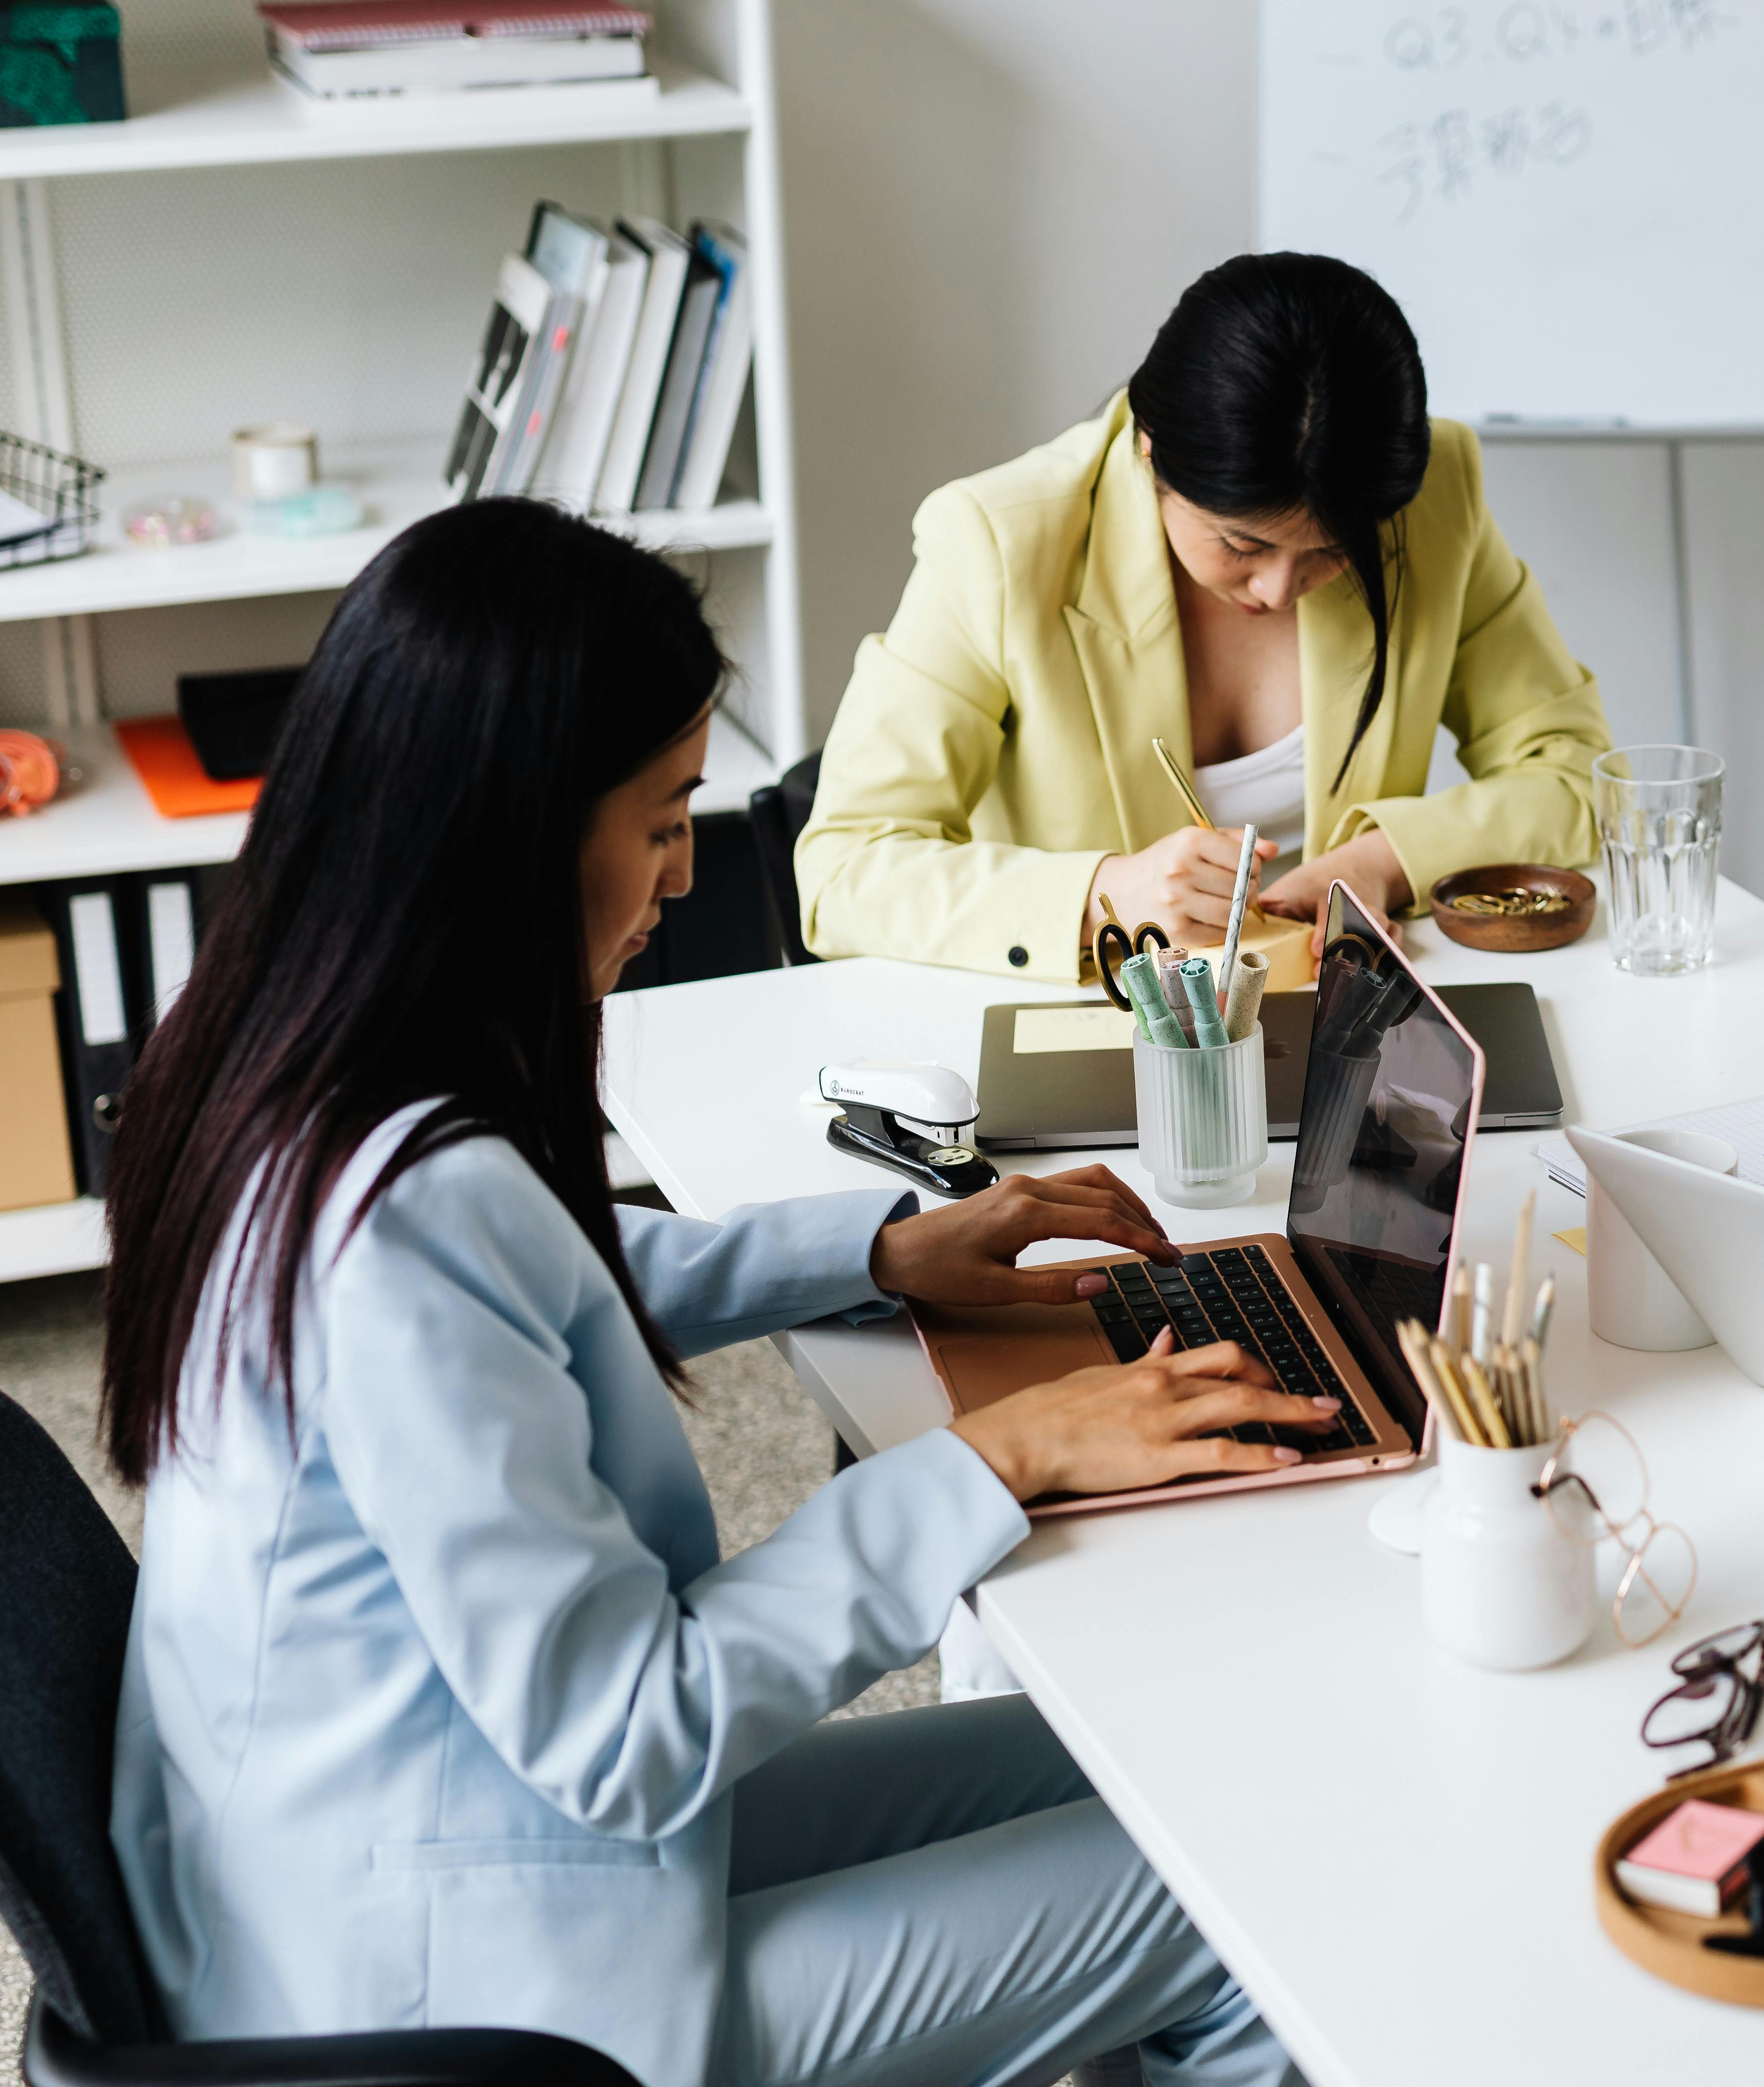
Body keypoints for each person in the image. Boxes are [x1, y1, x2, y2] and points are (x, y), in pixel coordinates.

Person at [100, 501, 1326, 2087]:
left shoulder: (280, 1049)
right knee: (1251, 1895)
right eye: (665, 815)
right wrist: (1005, 1459)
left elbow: (540, 1293)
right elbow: (630, 1732)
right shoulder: (399, 1216)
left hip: (407, 1838)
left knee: (1160, 1764)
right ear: (512, 825)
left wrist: (880, 1250)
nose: (681, 874)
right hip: (470, 1986)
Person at [797, 250, 1612, 979]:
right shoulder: (997, 540)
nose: (1278, 590)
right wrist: (1105, 892)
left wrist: (1382, 863)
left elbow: (1577, 773)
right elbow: (844, 871)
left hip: (1341, 1016)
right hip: (1102, 1029)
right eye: (1241, 544)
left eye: (1332, 551)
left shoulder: (1436, 502)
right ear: (1150, 447)